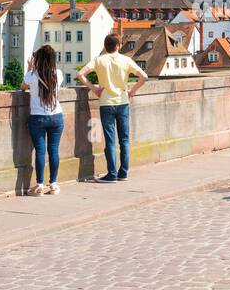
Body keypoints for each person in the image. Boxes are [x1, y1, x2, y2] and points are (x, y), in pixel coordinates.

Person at [76, 32, 148, 182]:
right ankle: (123, 173)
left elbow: (80, 74)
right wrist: (132, 91)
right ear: (118, 46)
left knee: (110, 141)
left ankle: (112, 174)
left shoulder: (99, 60)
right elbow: (144, 77)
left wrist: (93, 88)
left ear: (106, 46)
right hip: (123, 102)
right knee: (124, 140)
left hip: (106, 103)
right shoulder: (126, 60)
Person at [20, 44, 66, 195]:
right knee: (53, 150)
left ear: (38, 59)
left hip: (38, 118)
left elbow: (22, 87)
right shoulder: (58, 74)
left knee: (40, 151)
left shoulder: (32, 75)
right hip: (56, 116)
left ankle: (39, 185)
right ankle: (53, 185)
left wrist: (30, 67)